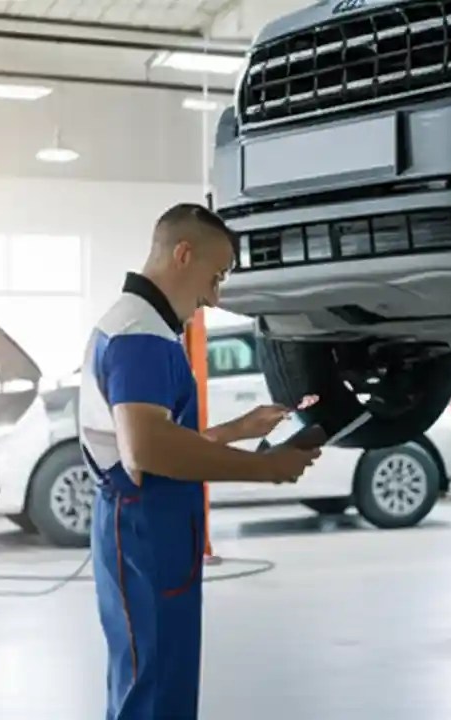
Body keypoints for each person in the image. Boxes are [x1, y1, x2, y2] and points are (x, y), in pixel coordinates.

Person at [78, 202, 321, 720]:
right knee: (154, 686)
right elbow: (147, 451)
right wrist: (266, 467)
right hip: (146, 525)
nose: (214, 295)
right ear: (183, 254)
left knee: (150, 675)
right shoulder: (140, 334)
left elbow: (151, 440)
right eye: (216, 276)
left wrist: (238, 430)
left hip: (143, 520)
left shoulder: (136, 326)